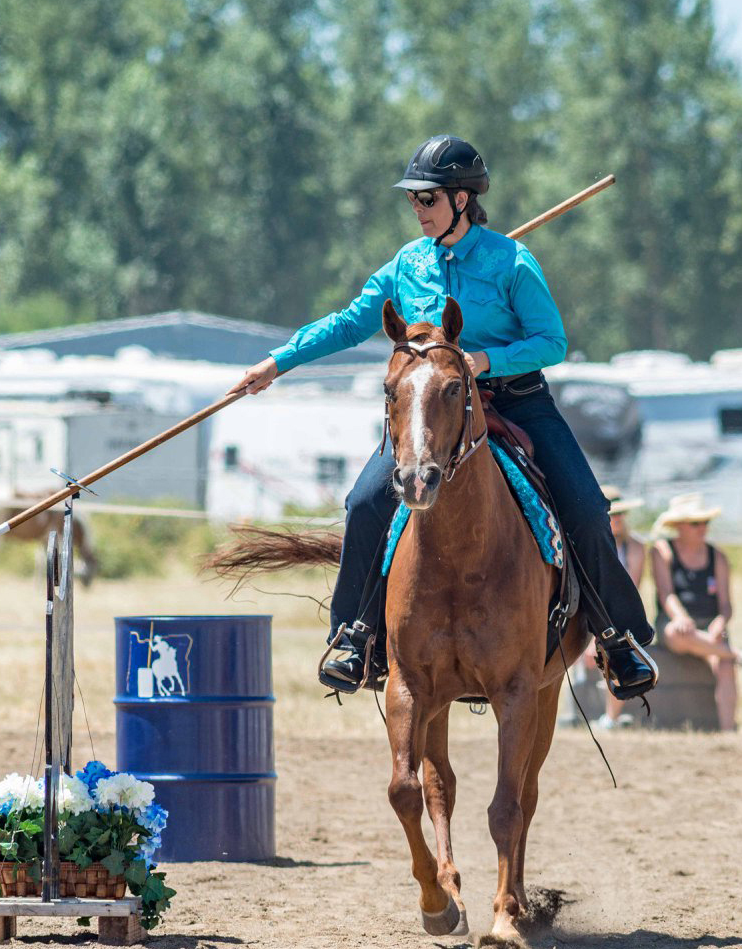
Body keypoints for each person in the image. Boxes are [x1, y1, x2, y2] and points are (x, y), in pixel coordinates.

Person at [229, 134, 657, 701]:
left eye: (427, 199)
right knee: (363, 502)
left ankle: (618, 635)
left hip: (517, 398)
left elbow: (552, 342)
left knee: (584, 504)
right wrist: (279, 361)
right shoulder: (407, 265)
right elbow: (348, 322)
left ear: (461, 199)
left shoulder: (513, 261)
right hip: (434, 409)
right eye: (413, 201)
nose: (418, 210)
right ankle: (355, 635)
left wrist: (486, 359)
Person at [650, 492, 740, 732]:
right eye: (695, 523)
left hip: (710, 628)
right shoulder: (662, 550)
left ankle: (727, 730)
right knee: (680, 633)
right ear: (679, 525)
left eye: (705, 522)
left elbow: (726, 606)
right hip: (676, 626)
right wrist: (681, 617)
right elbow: (665, 594)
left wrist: (720, 623)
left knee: (724, 665)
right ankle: (735, 654)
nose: (703, 528)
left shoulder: (717, 556)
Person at [585, 486, 647, 730]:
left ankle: (611, 718)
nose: (617, 519)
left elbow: (631, 589)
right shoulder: (591, 545)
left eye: (620, 514)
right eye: (612, 514)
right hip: (591, 613)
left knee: (616, 645)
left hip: (619, 614)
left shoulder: (635, 547)